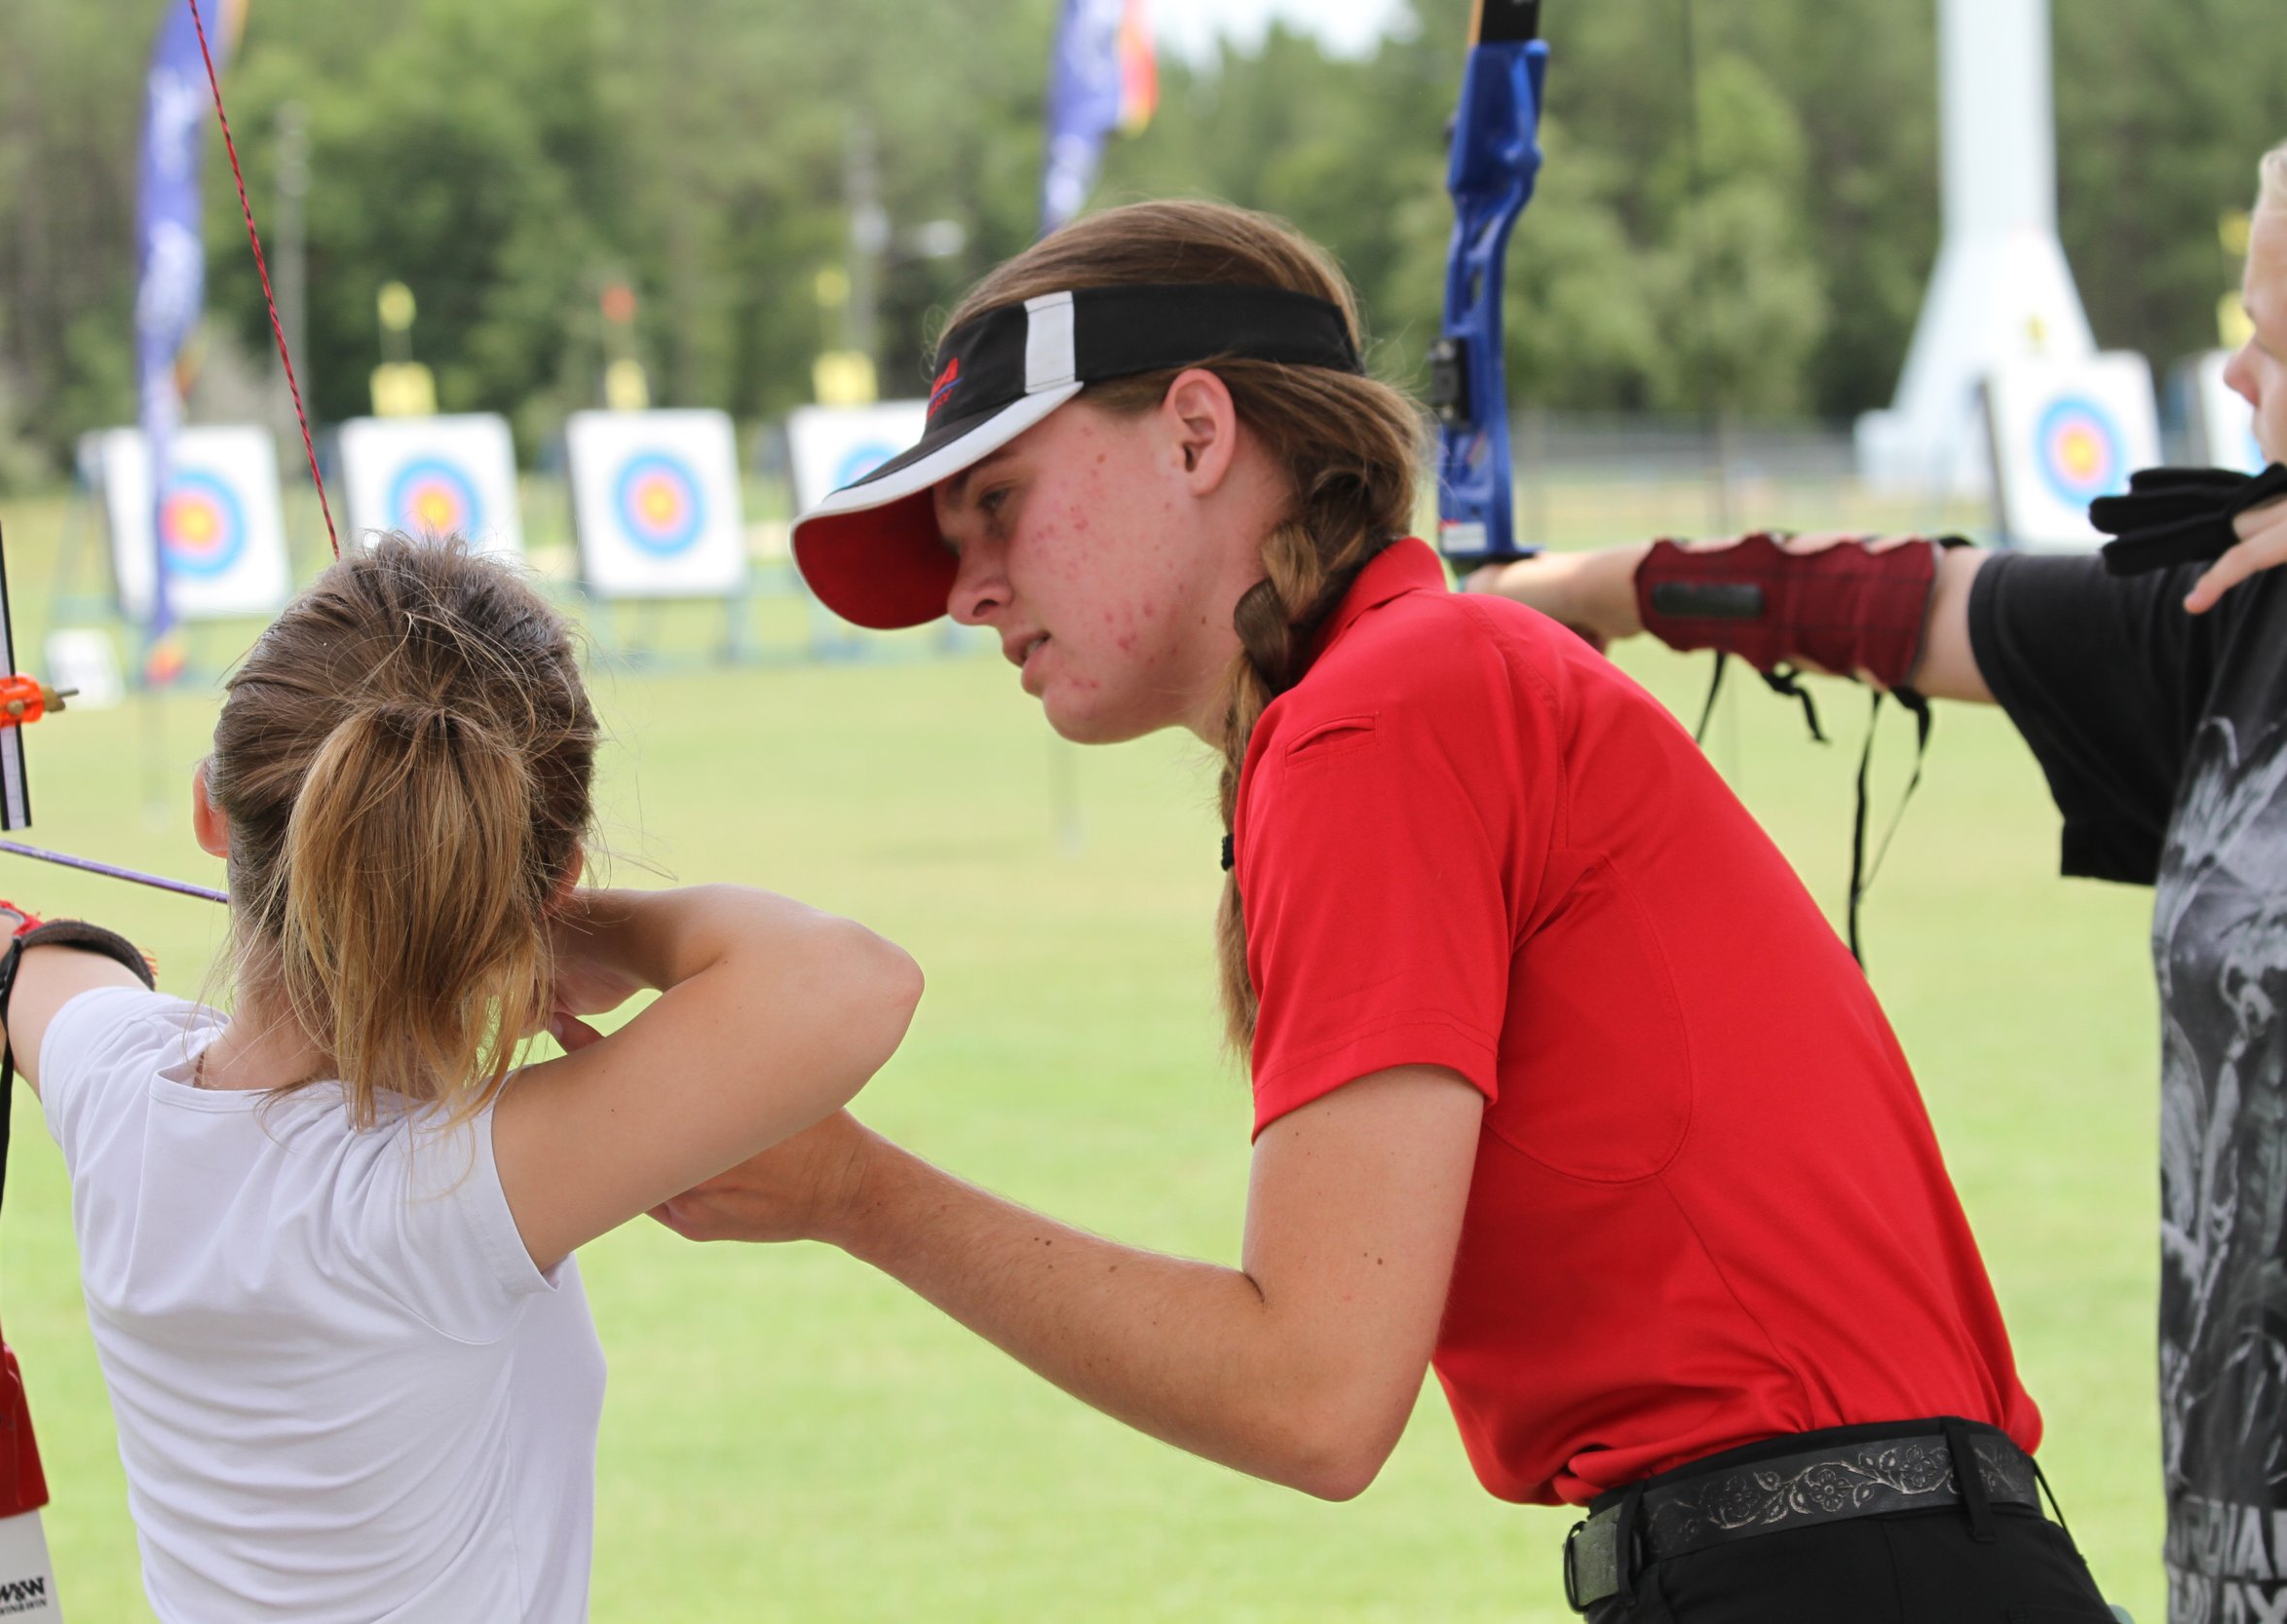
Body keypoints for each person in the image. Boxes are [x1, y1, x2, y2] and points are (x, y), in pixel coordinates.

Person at [655, 199, 2112, 1620]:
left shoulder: (1381, 711)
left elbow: (1311, 1394)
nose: (968, 591)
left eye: (998, 502)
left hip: (1830, 1571)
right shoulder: (1410, 685)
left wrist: (856, 1192)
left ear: (1196, 432)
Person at [1469, 142, 2287, 1624]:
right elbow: (1904, 603)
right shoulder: (2235, 623)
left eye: (2275, 345)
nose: (2236, 376)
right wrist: (1591, 591)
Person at [0, 535, 923, 1624]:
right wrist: (574, 930)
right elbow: (850, 982)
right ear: (553, 879)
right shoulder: (440, 1195)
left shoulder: (119, 1092)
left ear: (211, 811)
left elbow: (1, 971)